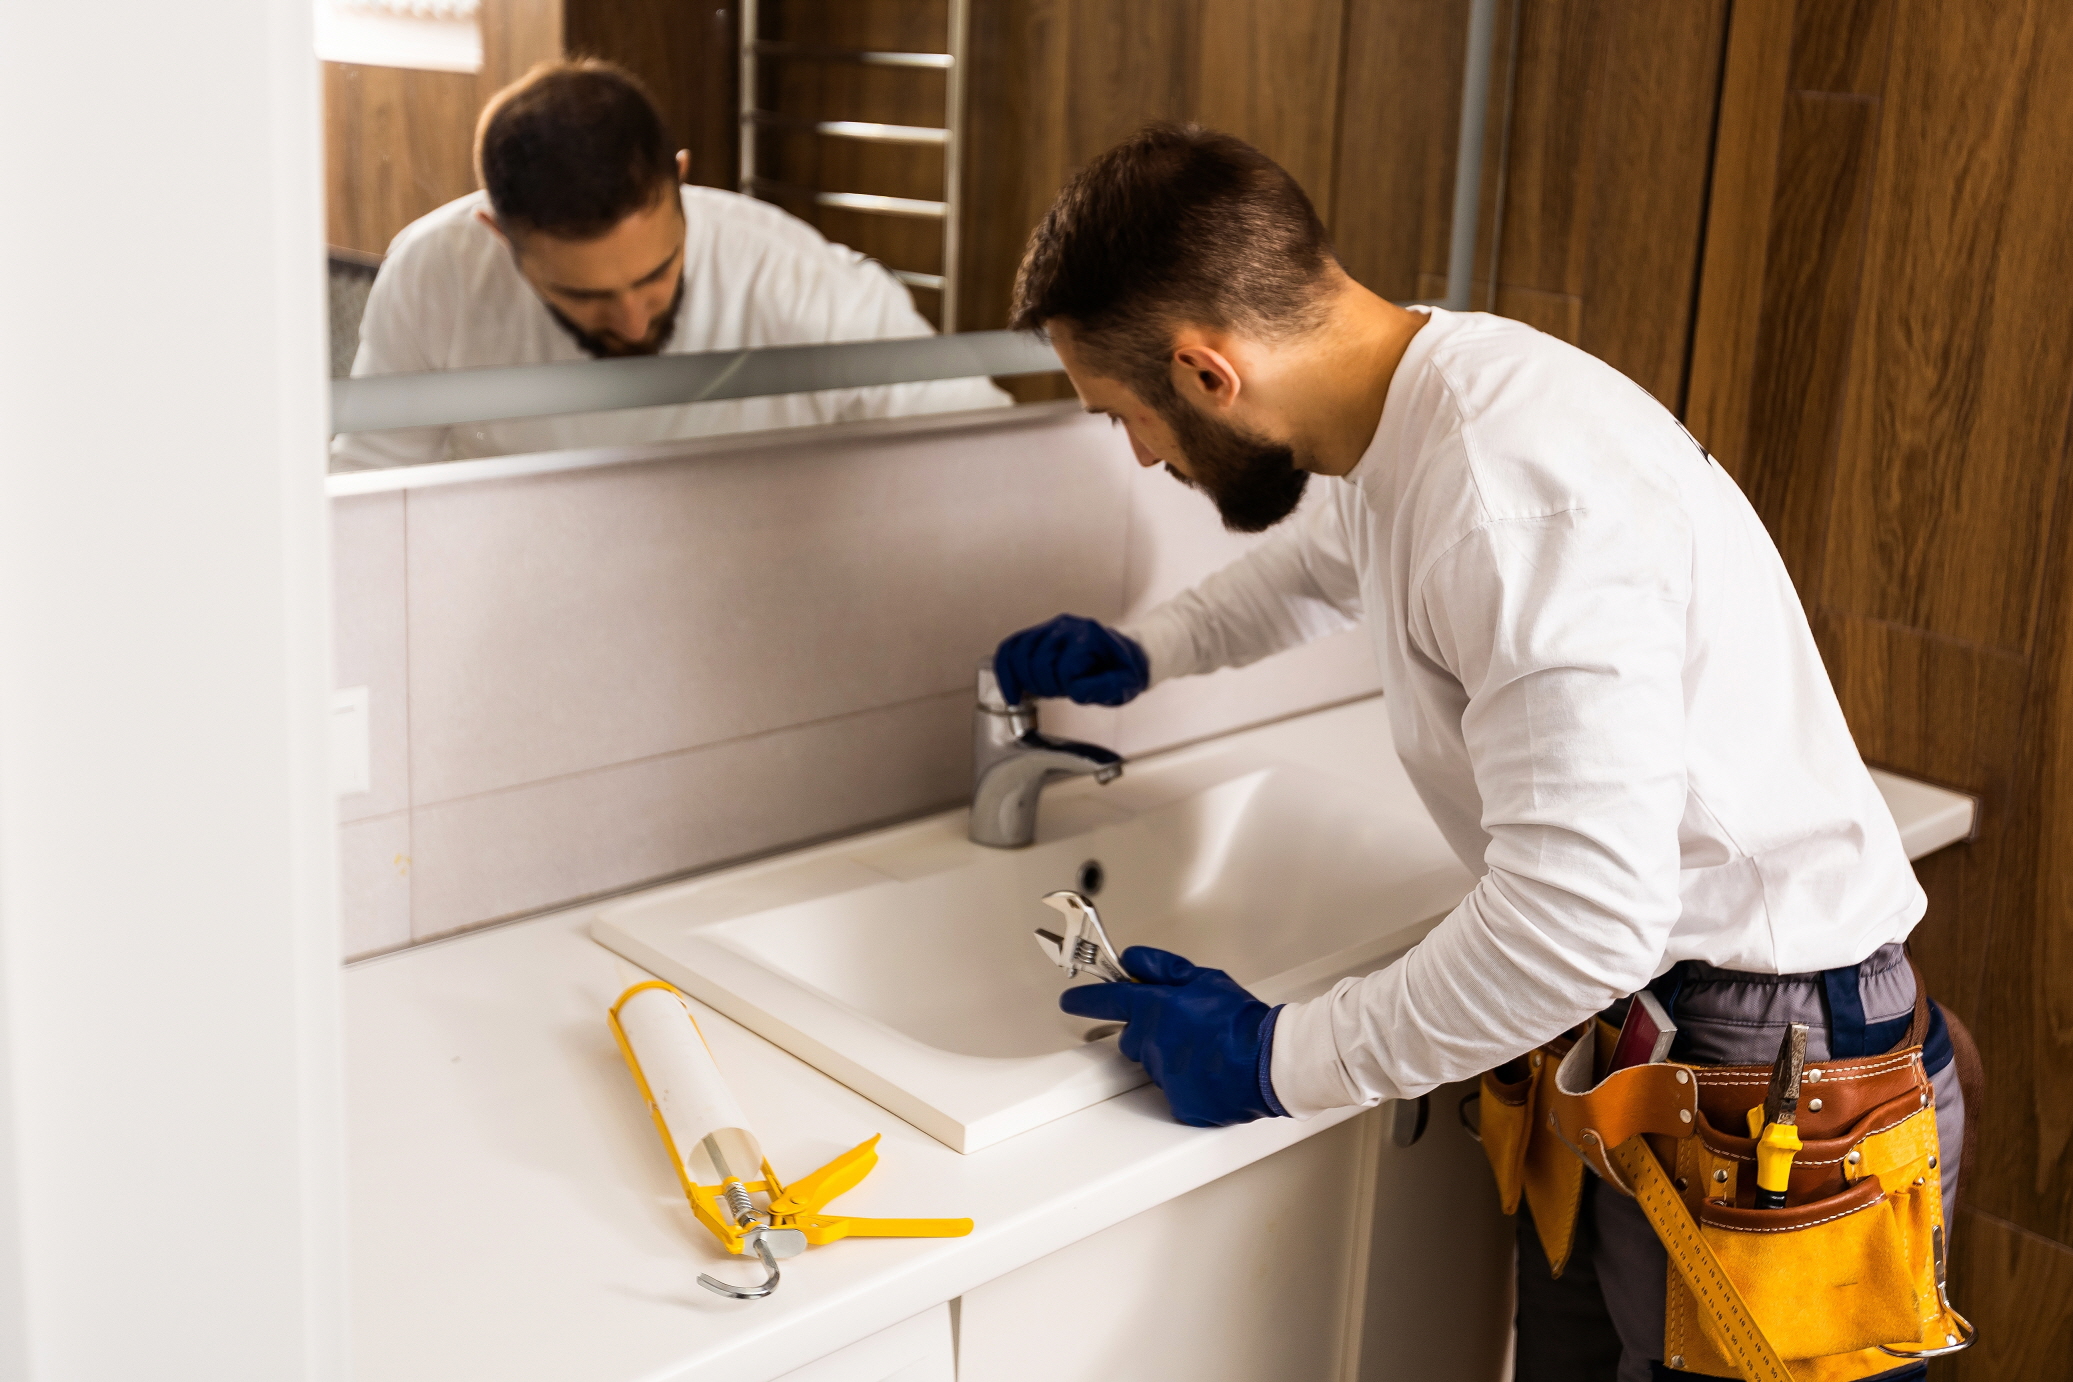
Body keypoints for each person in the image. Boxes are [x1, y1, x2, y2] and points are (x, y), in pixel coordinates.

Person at [990, 124, 1960, 1382]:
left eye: (1124, 414)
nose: (1139, 453)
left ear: (1206, 371)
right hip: (1644, 1036)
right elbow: (1321, 564)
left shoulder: (1512, 491)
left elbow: (1580, 919)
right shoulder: (1413, 400)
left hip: (1766, 1071)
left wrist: (1277, 1055)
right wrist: (1146, 648)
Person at [332, 60, 1009, 469]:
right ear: (498, 236)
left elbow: (989, 445)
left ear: (680, 181)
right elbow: (371, 484)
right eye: (583, 294)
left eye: (655, 275)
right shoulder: (434, 274)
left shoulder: (800, 284)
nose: (630, 321)